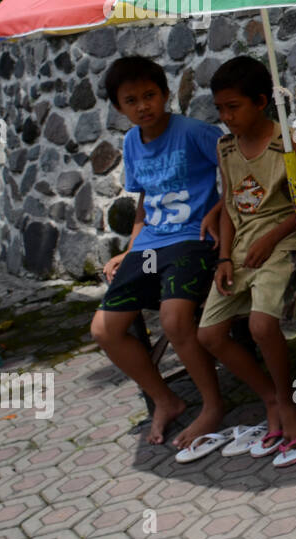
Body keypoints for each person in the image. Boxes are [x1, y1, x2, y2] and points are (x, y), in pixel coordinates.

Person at [194, 56, 296, 465]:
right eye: (220, 108)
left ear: (261, 101)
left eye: (233, 107)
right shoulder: (225, 146)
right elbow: (230, 204)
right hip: (239, 250)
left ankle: (287, 403)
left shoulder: (287, 142)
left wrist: (271, 237)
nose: (225, 116)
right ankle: (268, 397)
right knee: (210, 335)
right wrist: (223, 258)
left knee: (260, 325)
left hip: (282, 244)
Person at [89, 56, 223, 447]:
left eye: (150, 95)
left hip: (192, 241)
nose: (143, 106)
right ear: (119, 108)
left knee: (174, 319)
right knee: (104, 329)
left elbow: (238, 168)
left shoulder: (196, 132)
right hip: (150, 246)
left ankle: (212, 405)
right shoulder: (131, 142)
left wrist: (217, 210)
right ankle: (167, 400)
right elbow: (145, 200)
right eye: (131, 101)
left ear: (166, 94)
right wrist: (129, 250)